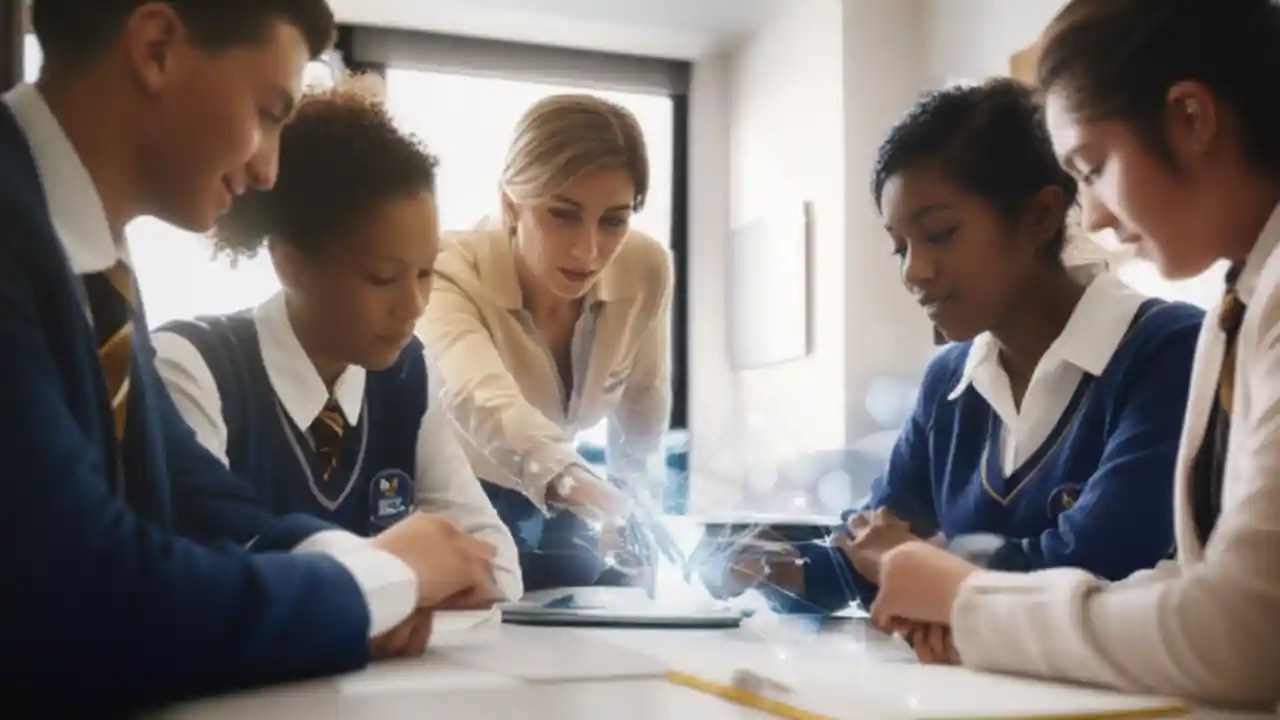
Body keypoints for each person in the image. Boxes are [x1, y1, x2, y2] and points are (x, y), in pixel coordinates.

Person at [0, 1, 499, 709]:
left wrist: (376, 567)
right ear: (156, 49)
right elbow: (85, 596)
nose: (268, 171)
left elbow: (200, 503)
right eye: (269, 112)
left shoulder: (91, 266)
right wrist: (380, 581)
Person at [869, 0, 1280, 709]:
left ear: (1191, 118)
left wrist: (970, 604)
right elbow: (1197, 583)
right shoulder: (1238, 308)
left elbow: (1245, 633)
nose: (1090, 218)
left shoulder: (1185, 335)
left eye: (1092, 168)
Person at [701, 79, 1202, 617]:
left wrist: (910, 563)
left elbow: (1096, 561)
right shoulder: (949, 382)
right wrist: (770, 566)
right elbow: (865, 556)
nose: (914, 271)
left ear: (1040, 216)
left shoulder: (1169, 351)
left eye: (940, 233)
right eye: (899, 249)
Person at [150, 79, 523, 628]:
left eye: (426, 273)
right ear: (290, 263)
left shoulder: (408, 377)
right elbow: (204, 570)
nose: (414, 304)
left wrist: (382, 604)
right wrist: (396, 589)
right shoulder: (191, 369)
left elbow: (497, 569)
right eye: (382, 278)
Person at [418, 94, 673, 590]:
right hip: (458, 500)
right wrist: (576, 482)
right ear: (510, 203)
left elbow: (643, 405)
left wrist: (636, 512)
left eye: (614, 220)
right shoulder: (446, 268)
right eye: (562, 214)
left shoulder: (645, 267)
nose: (589, 249)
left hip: (561, 493)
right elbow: (478, 395)